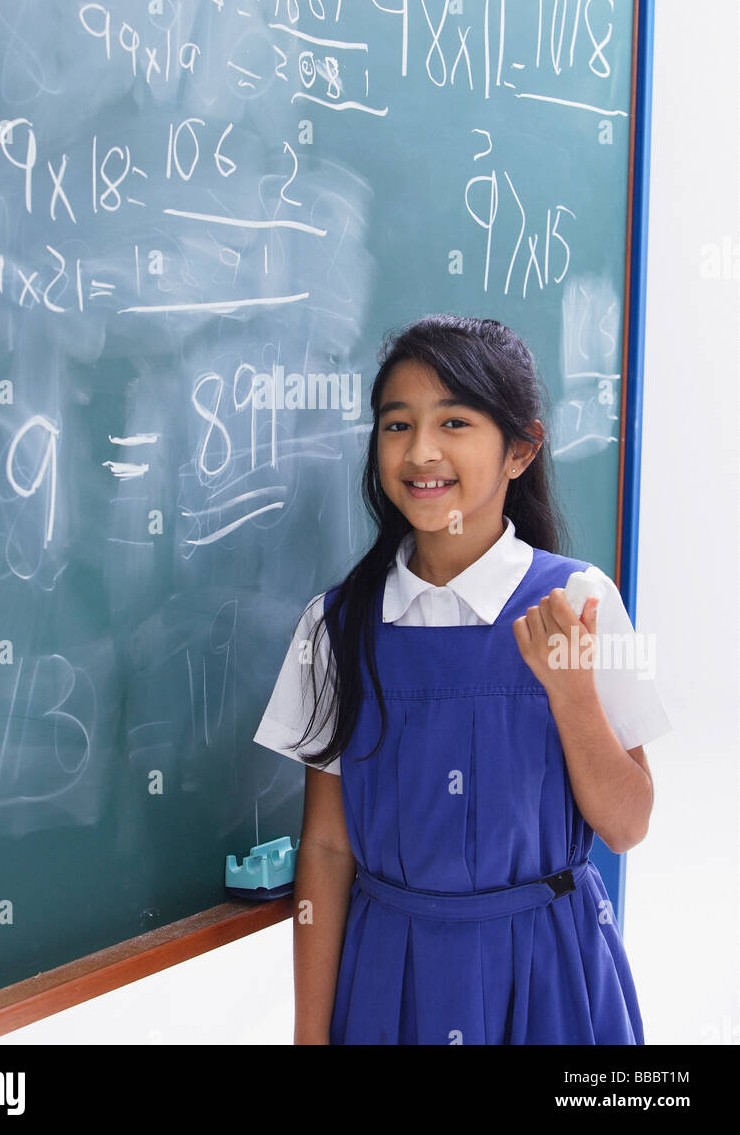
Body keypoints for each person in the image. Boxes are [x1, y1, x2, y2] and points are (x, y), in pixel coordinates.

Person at [253, 313, 672, 1046]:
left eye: (454, 422)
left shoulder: (581, 603)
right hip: (392, 977)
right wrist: (309, 1036)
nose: (421, 452)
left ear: (519, 450)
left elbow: (628, 823)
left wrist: (571, 694)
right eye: (396, 425)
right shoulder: (336, 625)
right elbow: (324, 849)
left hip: (548, 975)